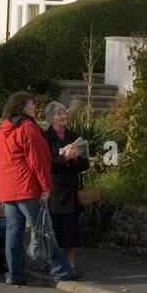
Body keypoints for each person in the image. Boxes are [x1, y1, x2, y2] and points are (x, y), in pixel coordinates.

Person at [0, 92, 79, 286]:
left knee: (13, 233)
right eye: (31, 104)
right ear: (22, 107)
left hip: (8, 189)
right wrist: (46, 186)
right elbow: (38, 161)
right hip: (27, 187)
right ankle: (61, 270)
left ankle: (14, 274)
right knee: (43, 230)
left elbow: (0, 158)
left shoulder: (2, 129)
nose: (34, 108)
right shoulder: (28, 129)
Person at [43, 100, 90, 269]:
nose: (62, 116)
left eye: (64, 113)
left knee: (71, 229)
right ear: (51, 118)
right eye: (58, 114)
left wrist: (76, 158)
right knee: (54, 228)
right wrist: (65, 158)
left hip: (71, 189)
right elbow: (46, 163)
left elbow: (86, 164)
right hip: (54, 190)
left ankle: (70, 262)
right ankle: (52, 262)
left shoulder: (74, 136)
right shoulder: (45, 137)